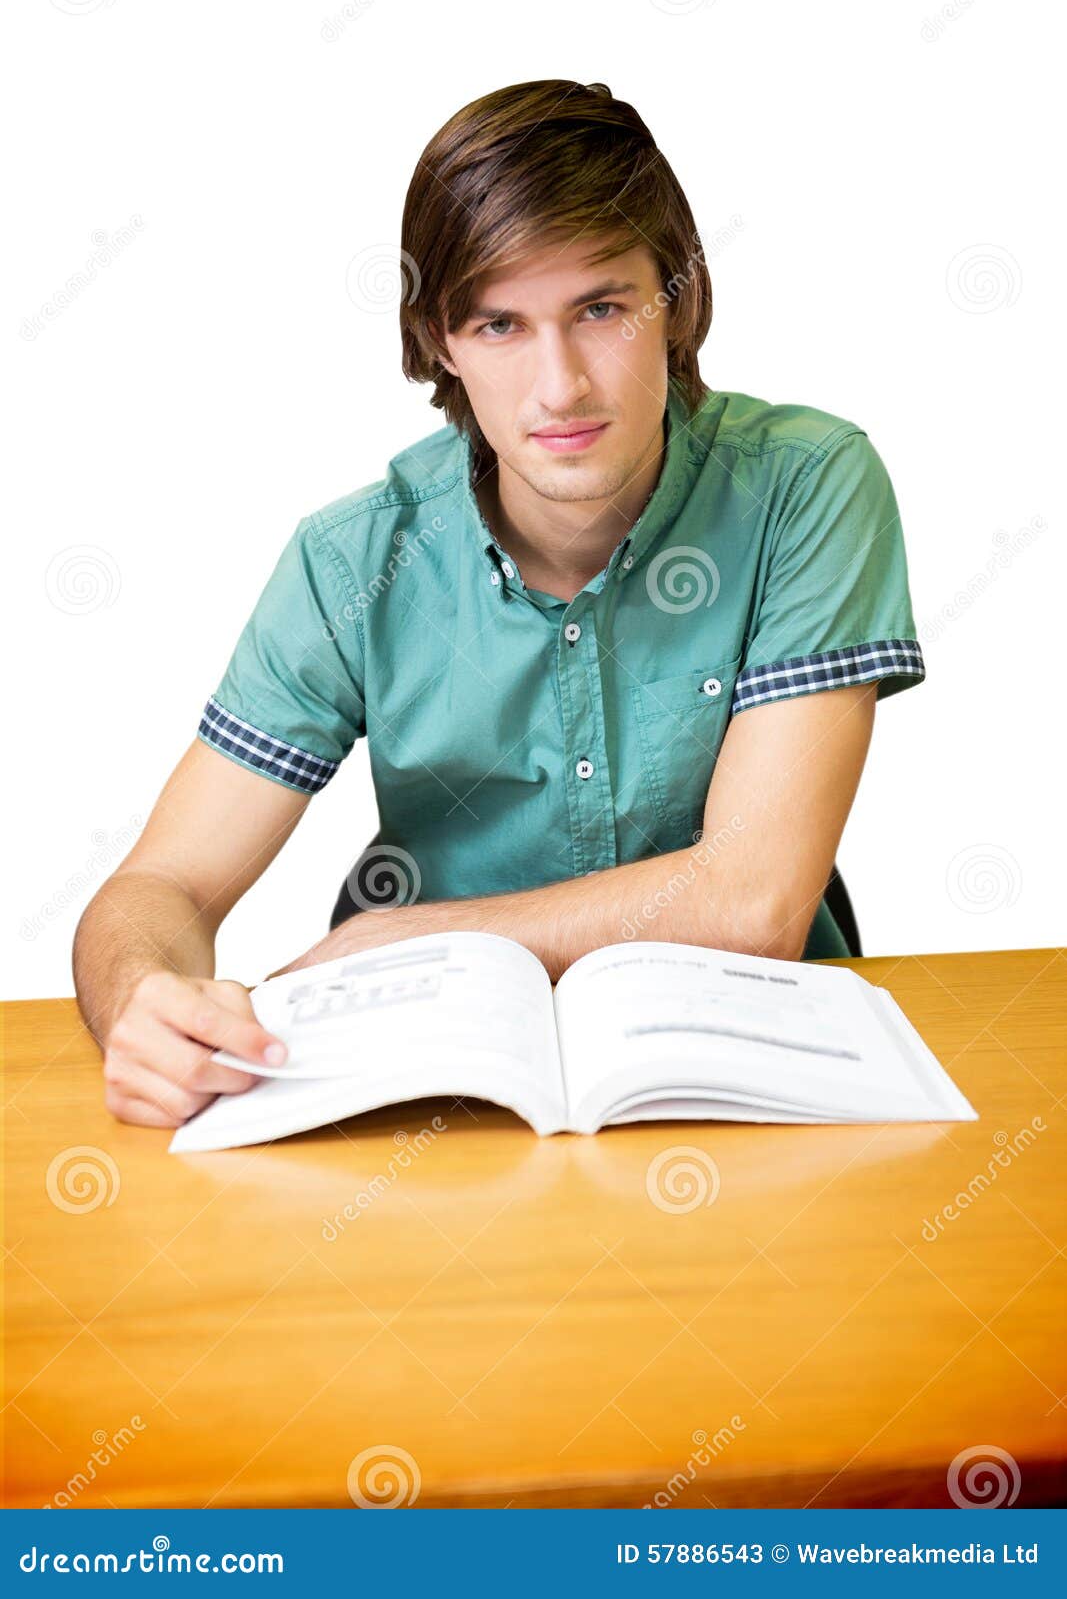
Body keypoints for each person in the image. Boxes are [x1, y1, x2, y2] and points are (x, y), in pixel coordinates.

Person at [73, 79, 925, 1129]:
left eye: (601, 309)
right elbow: (165, 884)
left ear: (678, 300)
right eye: (499, 324)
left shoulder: (803, 484)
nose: (559, 386)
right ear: (440, 340)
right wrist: (144, 1002)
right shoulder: (354, 559)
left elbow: (750, 901)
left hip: (752, 1080)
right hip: (431, 1092)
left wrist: (403, 938)